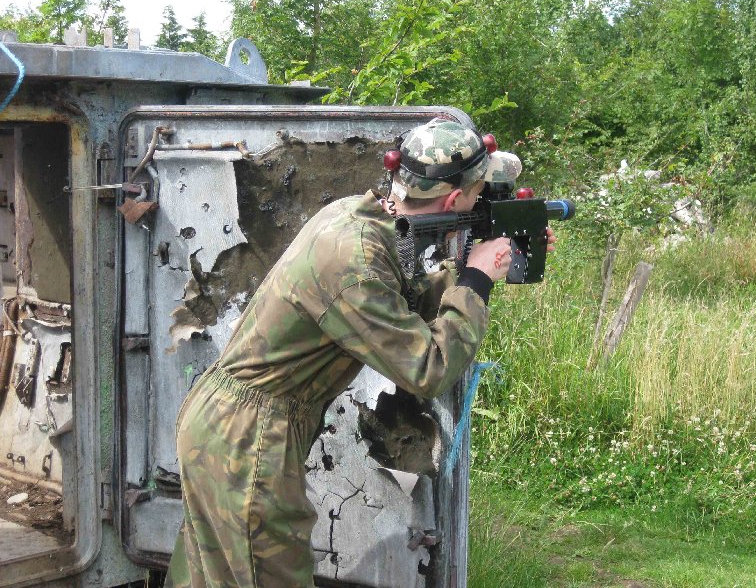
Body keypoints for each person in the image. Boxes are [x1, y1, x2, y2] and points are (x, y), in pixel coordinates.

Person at [164, 119, 557, 588]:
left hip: (228, 422)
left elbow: (398, 305)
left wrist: (479, 266)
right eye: (478, 194)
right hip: (247, 438)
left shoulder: (358, 216)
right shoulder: (356, 258)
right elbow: (427, 368)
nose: (481, 203)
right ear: (454, 200)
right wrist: (475, 281)